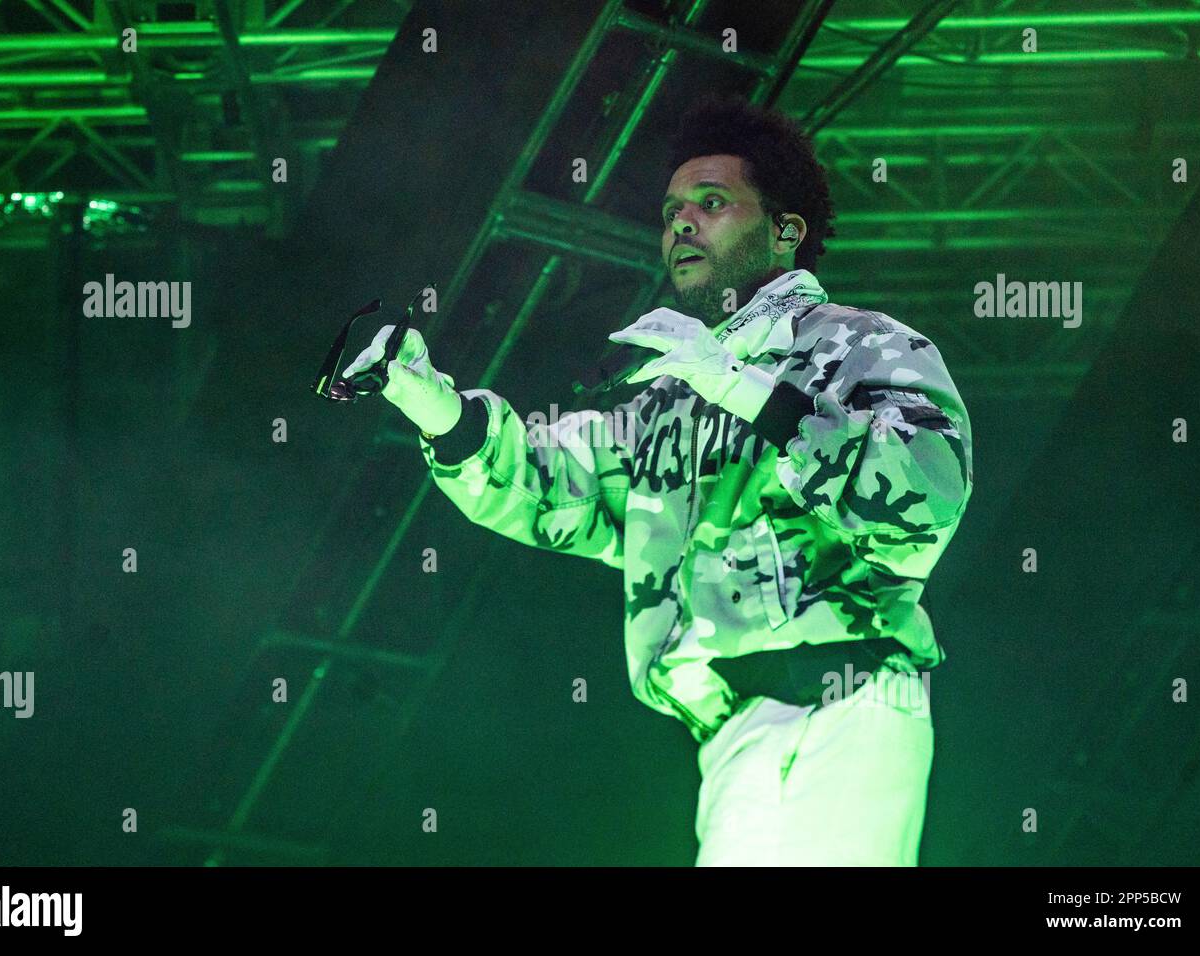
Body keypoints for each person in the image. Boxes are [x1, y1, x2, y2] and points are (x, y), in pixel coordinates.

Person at [344, 93, 974, 865]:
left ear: (784, 230)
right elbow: (545, 483)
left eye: (712, 203)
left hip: (849, 698)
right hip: (729, 730)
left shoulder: (860, 344)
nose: (681, 222)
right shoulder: (666, 401)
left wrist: (742, 388)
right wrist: (425, 397)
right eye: (673, 208)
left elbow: (924, 501)